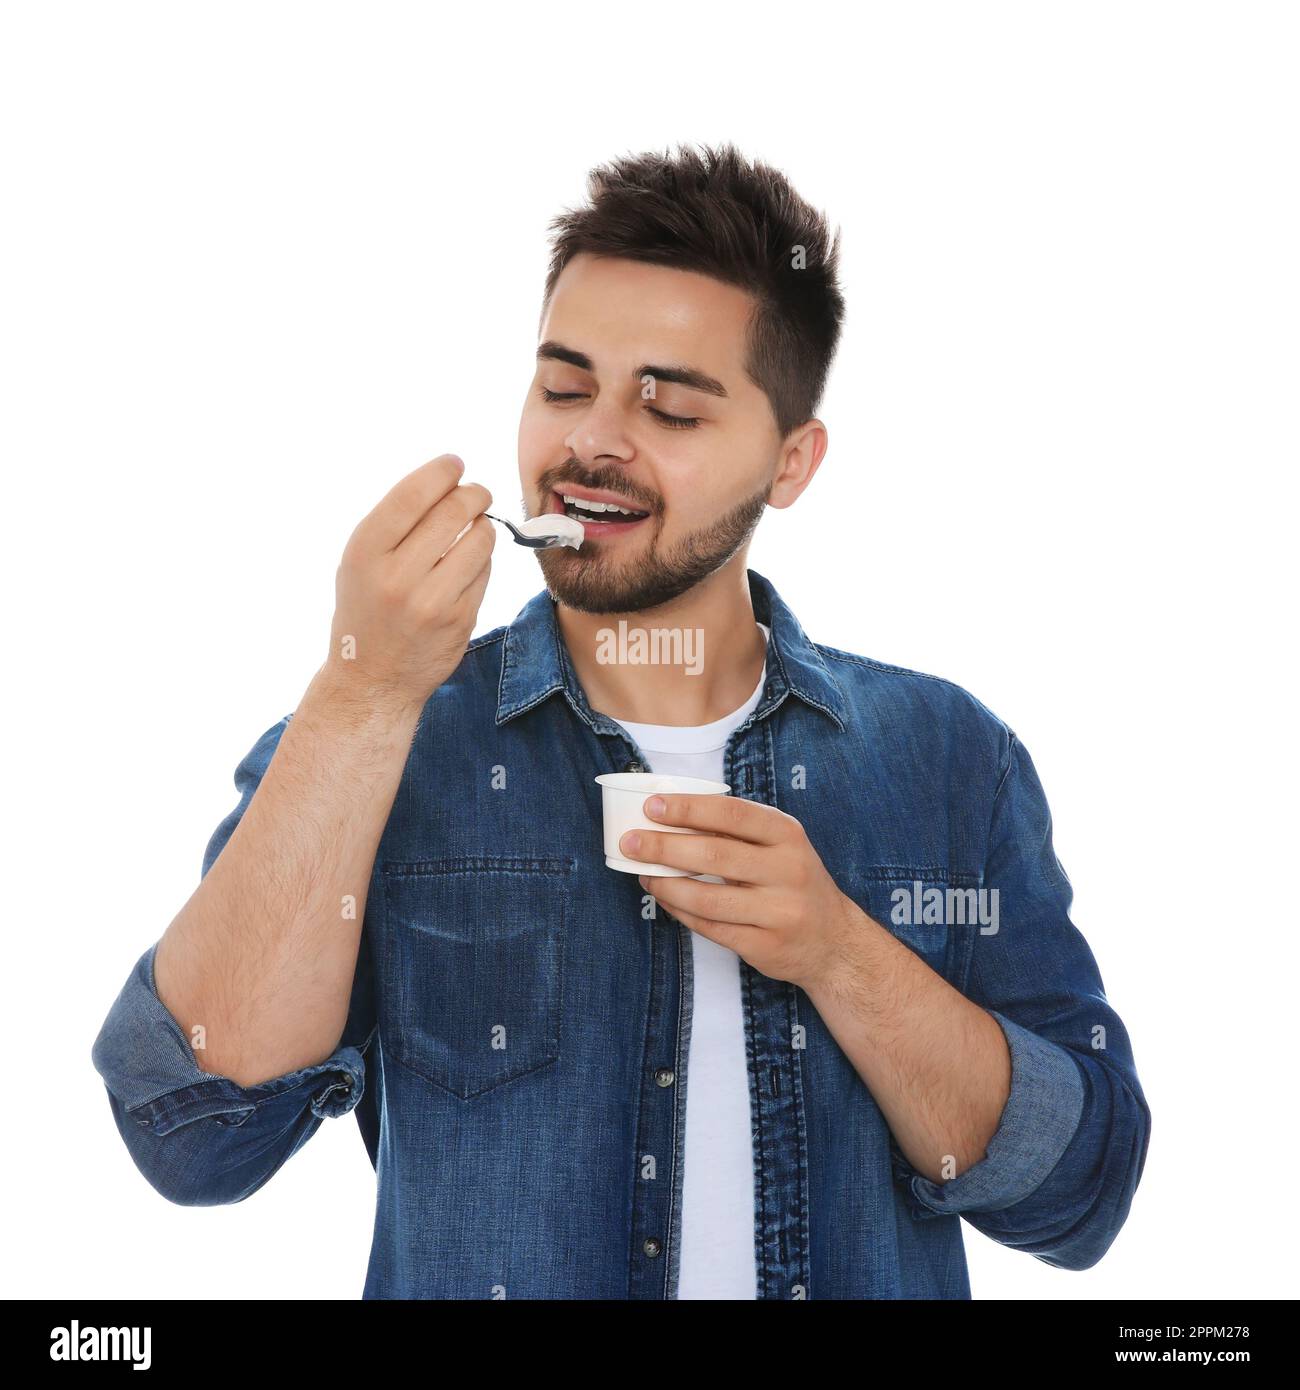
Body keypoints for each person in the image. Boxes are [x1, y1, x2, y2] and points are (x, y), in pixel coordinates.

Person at [92, 142, 1150, 1300]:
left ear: (790, 463)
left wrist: (840, 955)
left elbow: (1079, 1196)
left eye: (672, 408)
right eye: (562, 387)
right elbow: (189, 1135)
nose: (590, 440)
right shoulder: (387, 738)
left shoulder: (951, 759)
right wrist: (361, 695)